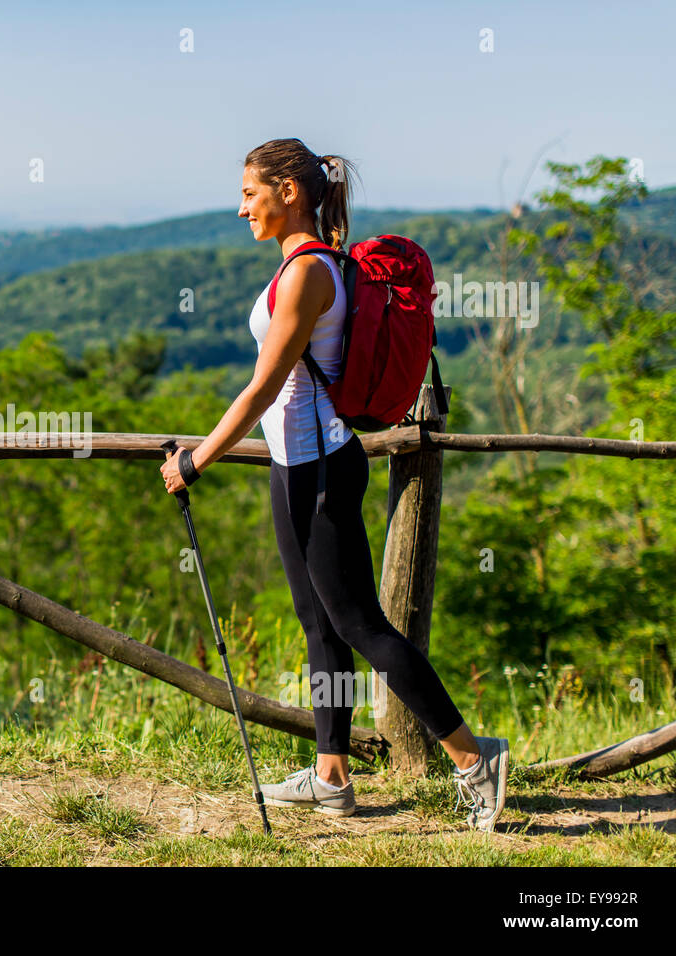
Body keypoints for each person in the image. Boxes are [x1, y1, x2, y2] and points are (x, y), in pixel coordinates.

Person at [160, 137, 509, 831]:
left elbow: (262, 390)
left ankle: (475, 761)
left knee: (360, 625)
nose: (242, 209)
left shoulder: (307, 275)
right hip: (297, 468)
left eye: (250, 193)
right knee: (319, 624)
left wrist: (197, 459)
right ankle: (331, 775)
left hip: (319, 468)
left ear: (290, 192)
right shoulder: (307, 267)